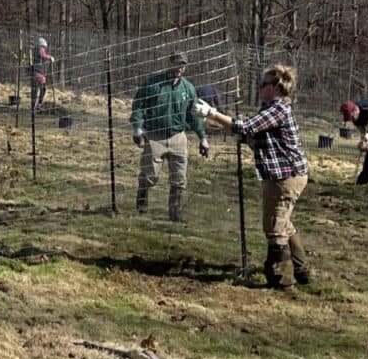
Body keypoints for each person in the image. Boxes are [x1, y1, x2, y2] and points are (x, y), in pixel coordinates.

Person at [194, 63, 311, 290]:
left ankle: (282, 281)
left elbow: (246, 127)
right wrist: (242, 136)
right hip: (283, 174)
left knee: (275, 227)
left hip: (285, 176)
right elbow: (259, 137)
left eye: (263, 83)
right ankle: (302, 270)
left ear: (277, 87)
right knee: (283, 223)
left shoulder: (277, 109)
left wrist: (212, 113)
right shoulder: (269, 108)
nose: (259, 87)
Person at [130, 52, 211, 220]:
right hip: (155, 136)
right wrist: (137, 127)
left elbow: (194, 115)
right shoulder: (153, 84)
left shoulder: (188, 88)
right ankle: (142, 201)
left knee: (179, 179)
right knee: (149, 176)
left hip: (178, 137)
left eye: (182, 65)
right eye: (177, 64)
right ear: (170, 63)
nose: (179, 68)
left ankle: (174, 214)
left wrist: (203, 138)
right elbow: (138, 105)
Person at [30, 36, 56, 110]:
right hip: (38, 72)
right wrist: (50, 57)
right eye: (44, 47)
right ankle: (38, 105)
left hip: (37, 72)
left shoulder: (35, 50)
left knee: (36, 90)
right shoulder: (40, 49)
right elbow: (43, 55)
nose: (44, 49)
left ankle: (35, 105)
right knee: (42, 89)